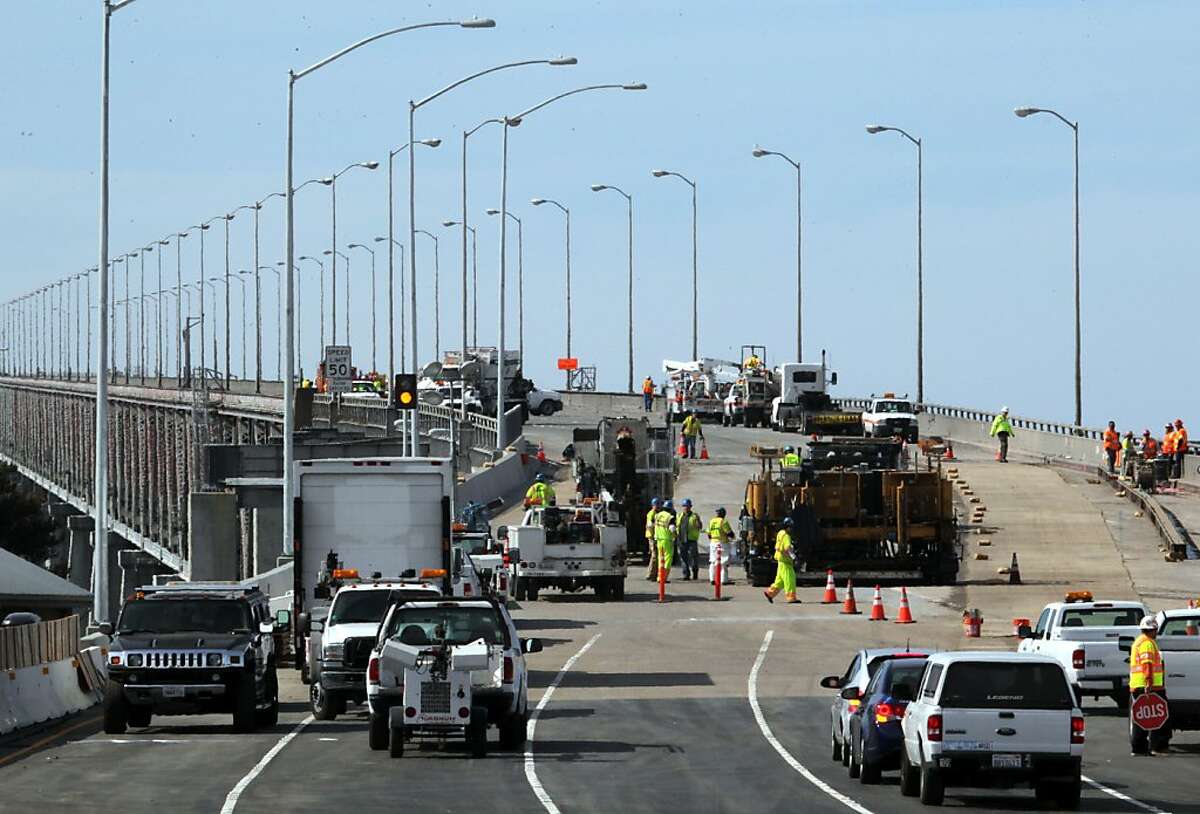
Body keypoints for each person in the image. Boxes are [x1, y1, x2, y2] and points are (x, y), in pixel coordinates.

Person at [1129, 614, 1169, 756]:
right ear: (1152, 629)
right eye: (1155, 630)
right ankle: (1150, 747)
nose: (1156, 633)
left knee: (1141, 719)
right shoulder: (1147, 643)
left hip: (1140, 686)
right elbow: (1147, 665)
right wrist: (1149, 683)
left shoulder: (1138, 641)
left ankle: (1140, 748)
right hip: (1148, 687)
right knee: (1153, 718)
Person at [763, 517, 799, 604]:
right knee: (790, 579)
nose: (791, 529)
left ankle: (770, 593)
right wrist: (794, 558)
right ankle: (791, 597)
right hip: (786, 562)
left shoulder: (780, 533)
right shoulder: (786, 536)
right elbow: (788, 549)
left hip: (780, 561)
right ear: (788, 527)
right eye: (790, 527)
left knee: (780, 581)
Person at [676, 499, 703, 580]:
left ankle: (695, 572)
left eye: (687, 506)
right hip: (681, 539)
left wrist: (698, 522)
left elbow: (699, 527)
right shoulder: (679, 515)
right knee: (683, 558)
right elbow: (677, 526)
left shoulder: (694, 516)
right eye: (684, 506)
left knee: (694, 557)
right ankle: (686, 574)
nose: (685, 508)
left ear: (690, 507)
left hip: (692, 540)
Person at [707, 507, 734, 585]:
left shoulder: (711, 521)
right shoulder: (723, 522)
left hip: (713, 543)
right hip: (722, 543)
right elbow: (729, 533)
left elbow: (708, 534)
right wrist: (733, 537)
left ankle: (712, 579)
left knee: (713, 561)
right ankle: (723, 580)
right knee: (723, 562)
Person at [653, 499, 678, 581]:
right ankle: (664, 578)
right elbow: (672, 528)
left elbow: (652, 525)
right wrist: (675, 536)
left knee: (660, 559)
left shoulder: (657, 515)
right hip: (667, 540)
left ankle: (659, 577)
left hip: (659, 540)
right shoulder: (670, 517)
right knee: (668, 559)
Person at [644, 498, 661, 581]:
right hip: (652, 537)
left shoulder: (657, 513)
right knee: (654, 556)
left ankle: (654, 574)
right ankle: (651, 574)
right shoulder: (651, 513)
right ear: (652, 505)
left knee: (655, 556)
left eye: (658, 505)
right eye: (656, 505)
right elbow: (650, 524)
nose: (657, 506)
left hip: (656, 536)